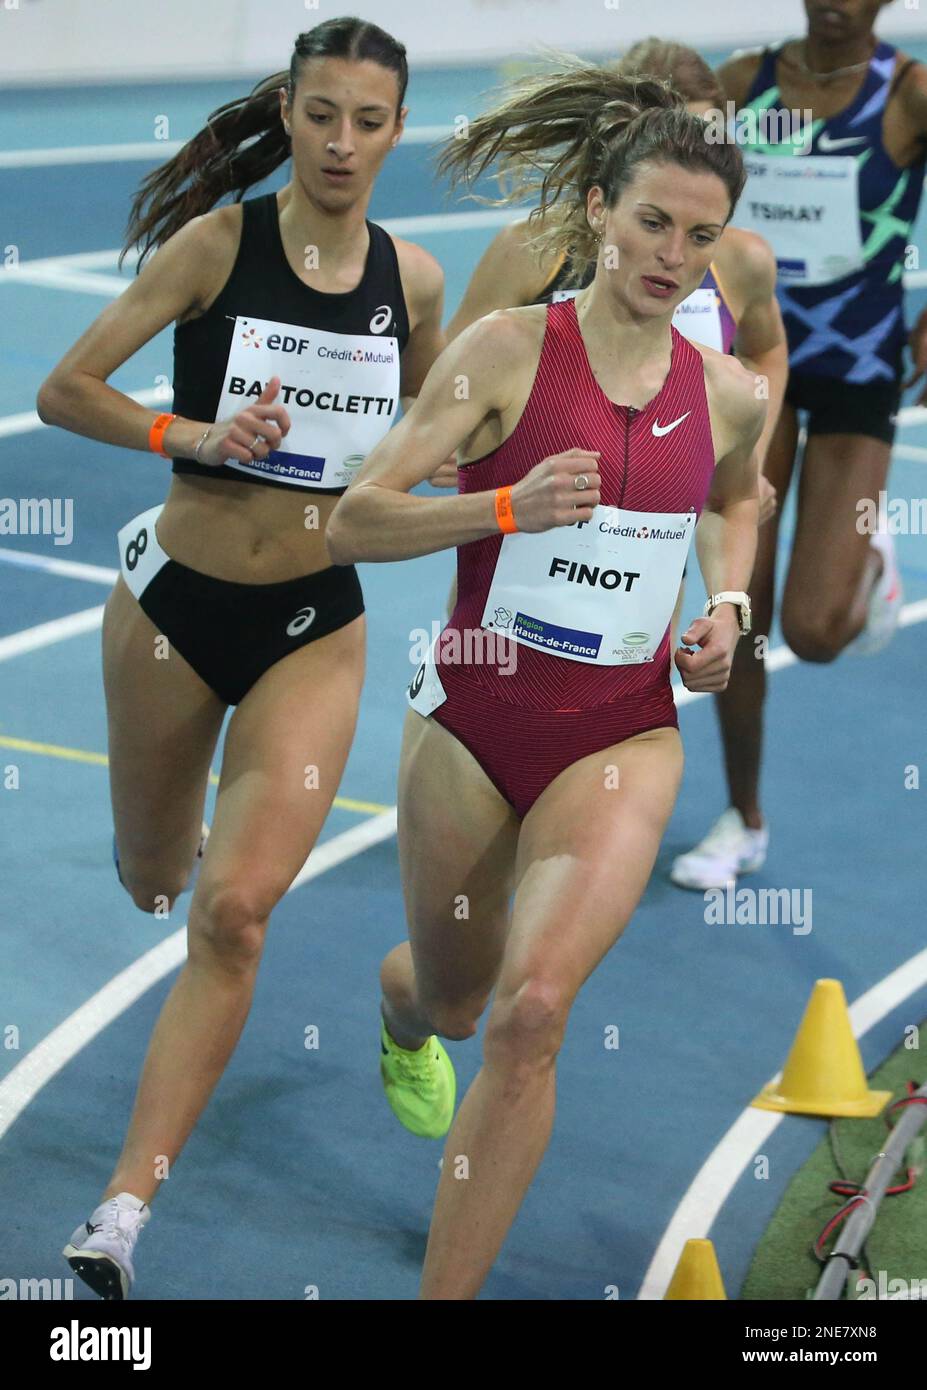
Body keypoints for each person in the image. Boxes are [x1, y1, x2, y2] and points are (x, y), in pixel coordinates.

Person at [328, 61, 765, 1299]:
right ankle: (405, 1003)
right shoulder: (507, 352)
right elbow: (354, 520)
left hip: (623, 730)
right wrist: (505, 507)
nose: (673, 257)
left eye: (700, 238)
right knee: (458, 1002)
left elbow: (737, 501)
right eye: (653, 223)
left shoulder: (729, 394)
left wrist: (729, 607)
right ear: (597, 209)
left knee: (530, 1014)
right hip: (472, 715)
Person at [36, 17, 446, 1299]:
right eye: (320, 114)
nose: (341, 142)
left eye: (367, 121)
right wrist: (195, 436)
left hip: (312, 623)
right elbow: (65, 389)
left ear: (397, 130)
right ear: (289, 112)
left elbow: (446, 429)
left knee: (233, 913)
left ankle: (121, 1210)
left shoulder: (416, 282)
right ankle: (178, 846)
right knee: (158, 881)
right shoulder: (217, 245)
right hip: (172, 612)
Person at [672, 0, 927, 889]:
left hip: (859, 367)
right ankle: (742, 816)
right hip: (754, 361)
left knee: (814, 632)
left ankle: (866, 562)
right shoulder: (745, 84)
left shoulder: (907, 93)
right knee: (738, 601)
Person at [438, 40, 788, 645]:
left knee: (635, 659)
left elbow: (766, 353)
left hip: (653, 530)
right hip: (521, 550)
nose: (691, 162)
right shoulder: (531, 249)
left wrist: (744, 455)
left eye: (707, 139)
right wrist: (459, 437)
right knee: (490, 666)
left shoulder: (740, 261)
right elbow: (451, 376)